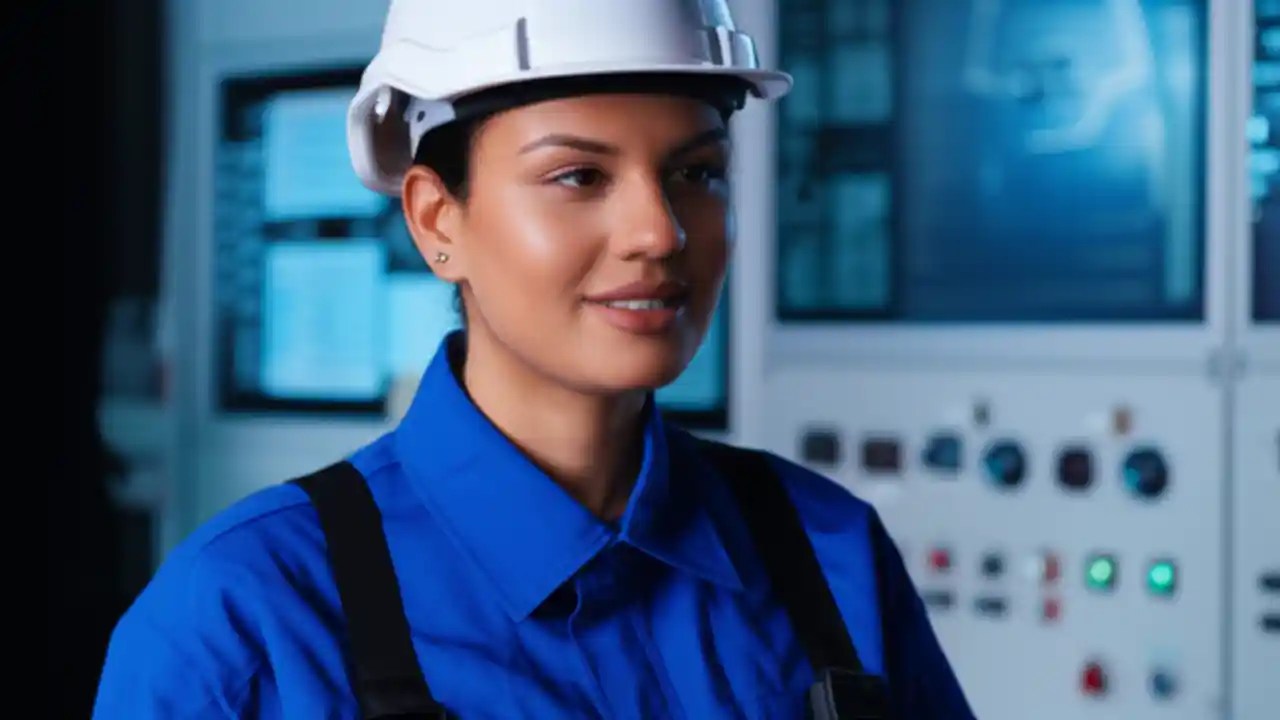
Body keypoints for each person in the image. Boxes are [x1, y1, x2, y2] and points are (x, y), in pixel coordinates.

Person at [92, 1, 976, 717]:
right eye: (579, 177)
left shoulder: (829, 553)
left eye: (697, 173)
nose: (658, 233)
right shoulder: (247, 622)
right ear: (438, 222)